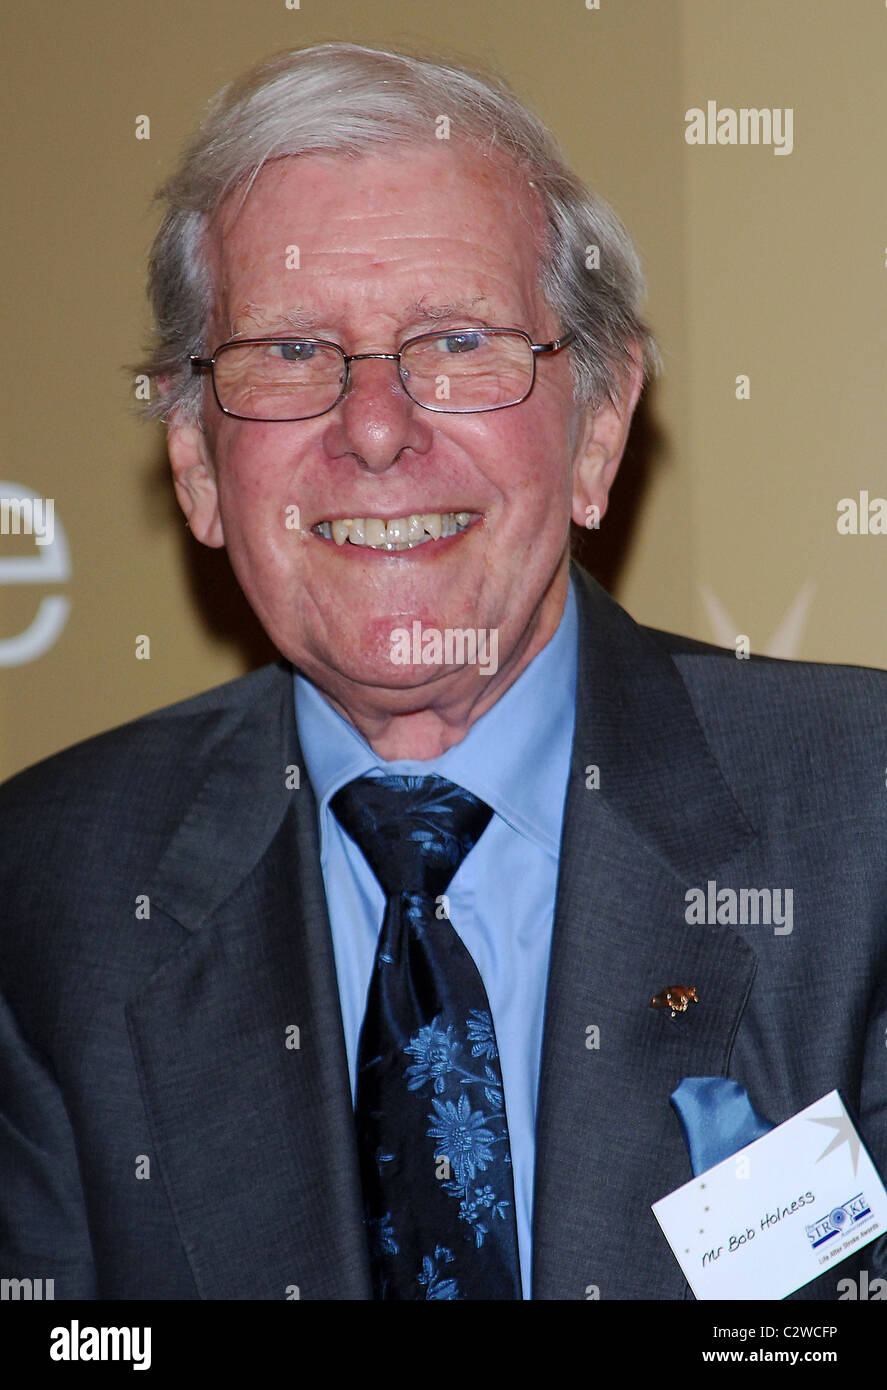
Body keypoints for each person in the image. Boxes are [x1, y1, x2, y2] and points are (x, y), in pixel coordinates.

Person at [1, 41, 885, 1302]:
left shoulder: (863, 823)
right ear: (196, 464)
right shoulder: (48, 899)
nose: (371, 427)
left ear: (596, 425)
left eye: (455, 340)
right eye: (292, 352)